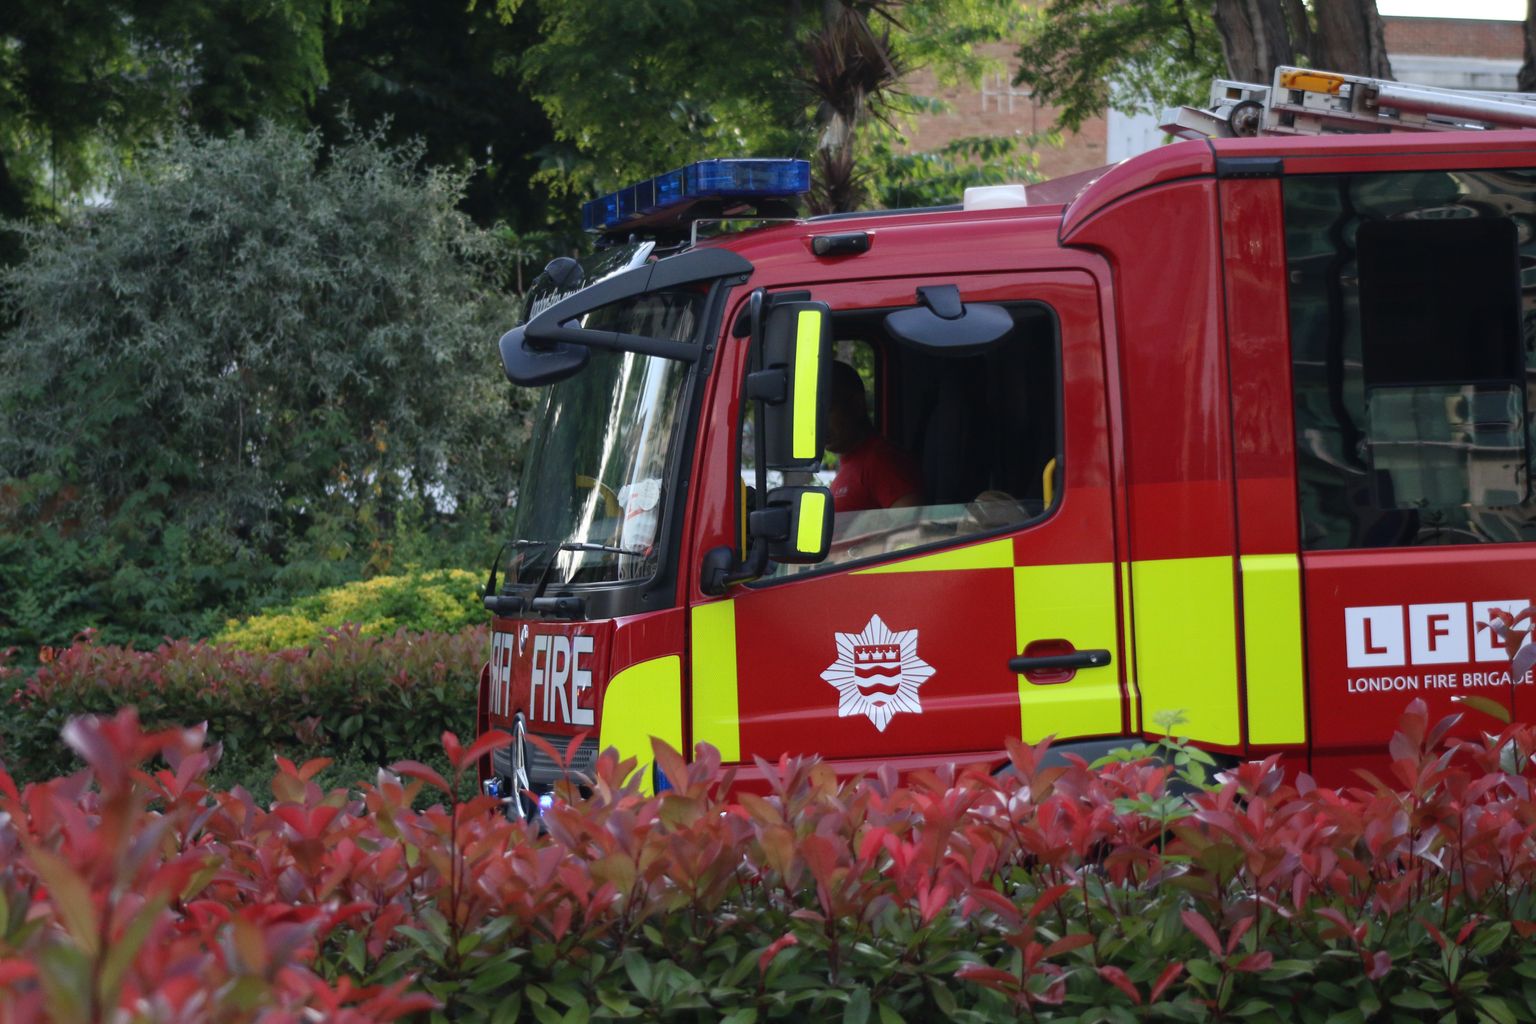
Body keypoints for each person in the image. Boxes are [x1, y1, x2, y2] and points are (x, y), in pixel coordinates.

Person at [824, 360, 923, 512]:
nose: (818, 423)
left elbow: (912, 527)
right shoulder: (854, 463)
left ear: (856, 405)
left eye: (827, 411)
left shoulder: (881, 460)